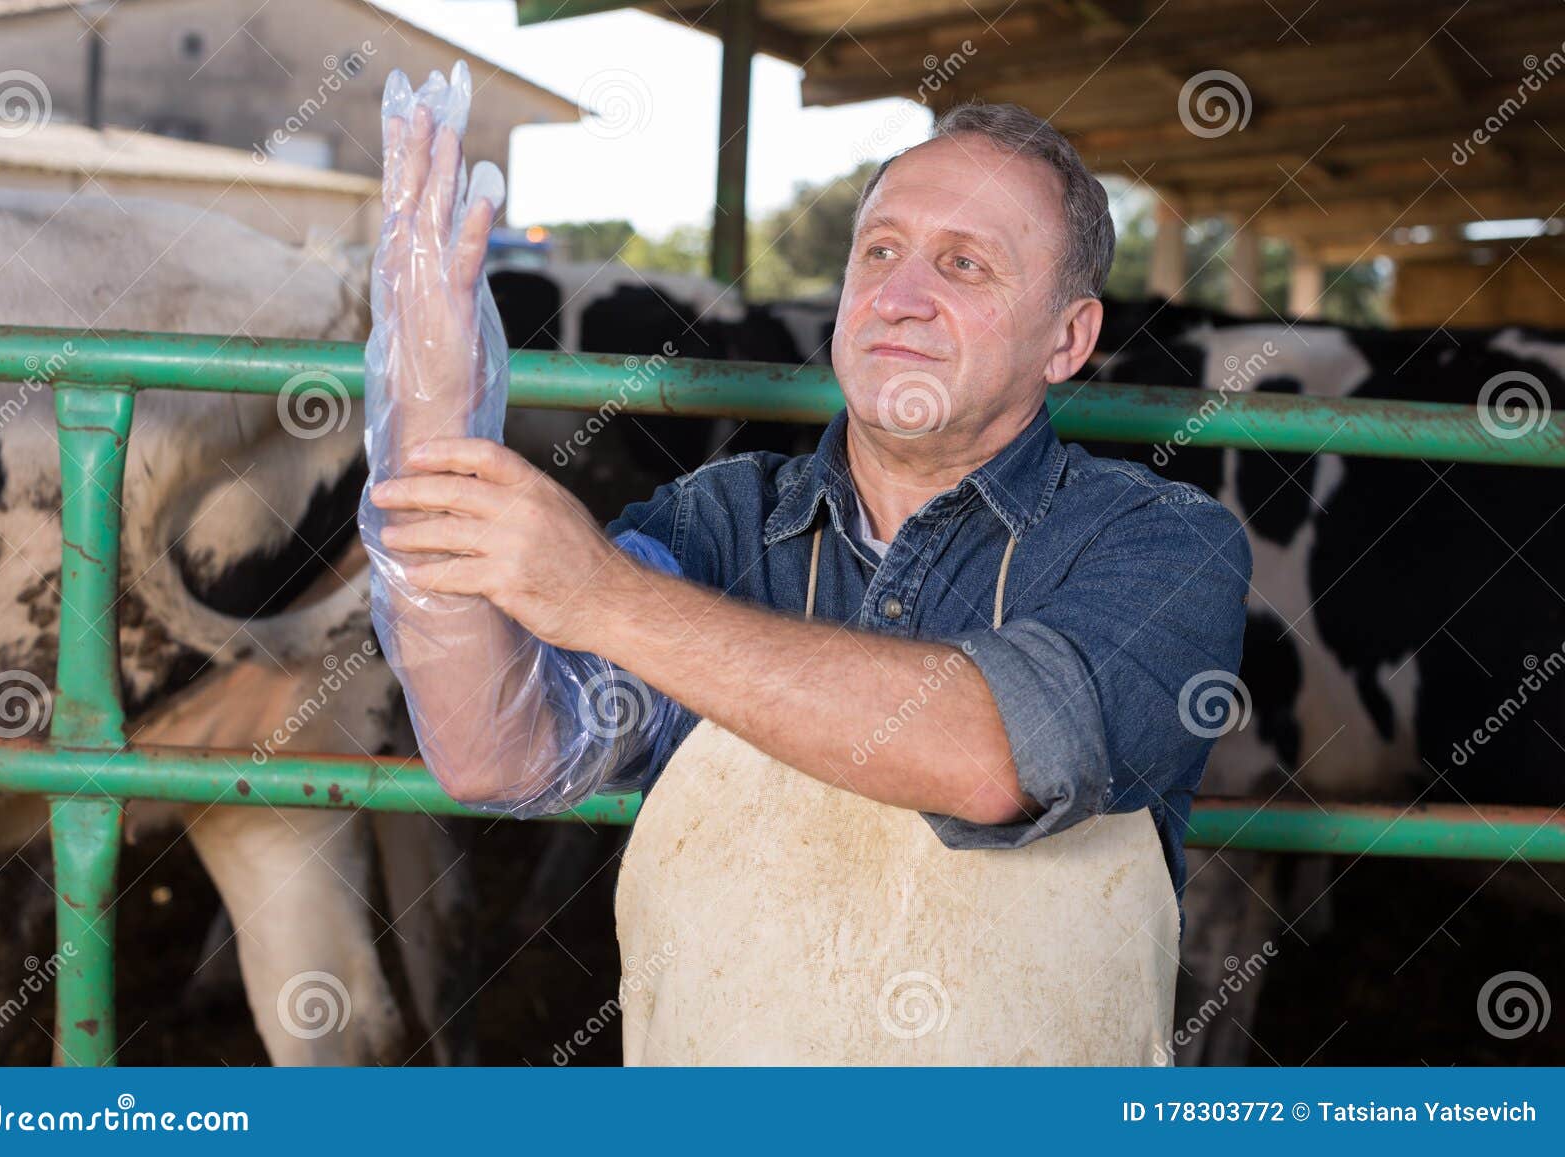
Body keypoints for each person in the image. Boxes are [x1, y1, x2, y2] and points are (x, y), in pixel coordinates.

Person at [367, 89, 1252, 1065]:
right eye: (879, 250)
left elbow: (995, 759)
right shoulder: (716, 519)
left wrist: (602, 596)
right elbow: (497, 748)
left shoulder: (1162, 541)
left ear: (1068, 337)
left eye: (963, 263)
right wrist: (431, 427)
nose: (899, 295)